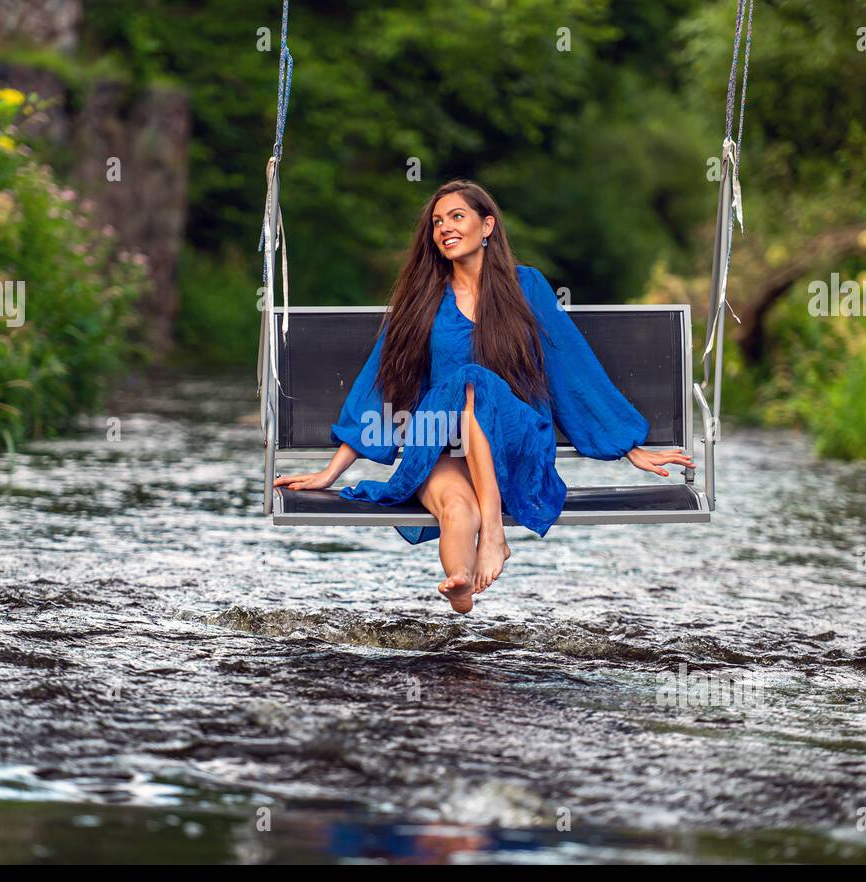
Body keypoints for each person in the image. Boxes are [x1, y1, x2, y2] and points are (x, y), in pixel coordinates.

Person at [274, 179, 693, 613]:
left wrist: (628, 446)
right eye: (437, 222)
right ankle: (460, 586)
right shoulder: (424, 298)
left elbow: (569, 364)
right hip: (443, 443)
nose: (444, 228)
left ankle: (493, 532)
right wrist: (330, 472)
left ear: (487, 225)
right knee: (456, 506)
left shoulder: (525, 286)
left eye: (457, 217)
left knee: (473, 381)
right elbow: (381, 380)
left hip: (512, 441)